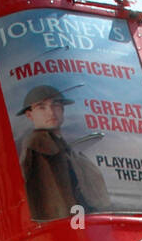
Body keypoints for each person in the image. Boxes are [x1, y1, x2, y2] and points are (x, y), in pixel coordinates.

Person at [17, 85, 110, 222]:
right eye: (41, 107)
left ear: (62, 109)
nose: (51, 112)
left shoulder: (63, 147)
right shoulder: (36, 148)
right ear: (30, 115)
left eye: (56, 105)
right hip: (62, 229)